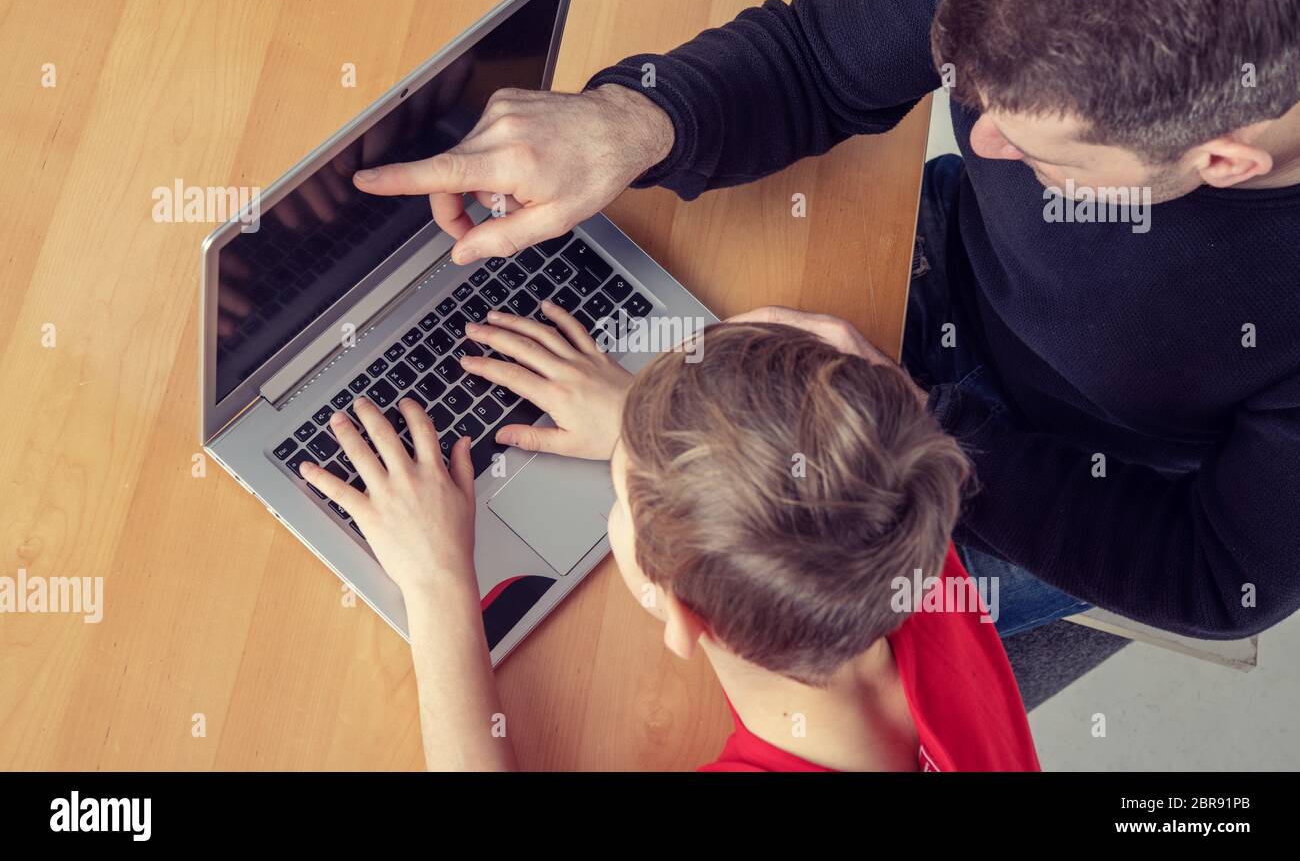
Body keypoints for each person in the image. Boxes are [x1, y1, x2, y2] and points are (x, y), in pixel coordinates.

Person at [348, 0, 1300, 639]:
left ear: (1223, 160)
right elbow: (823, 57)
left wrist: (889, 426)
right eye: (970, 90)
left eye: (1046, 158)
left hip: (1053, 490)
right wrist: (636, 121)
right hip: (927, 278)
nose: (981, 137)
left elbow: (1220, 576)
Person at [299, 307, 1040, 771]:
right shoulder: (903, 544)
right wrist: (674, 443)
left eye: (620, 500)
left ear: (684, 618)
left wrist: (437, 589)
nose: (615, 503)